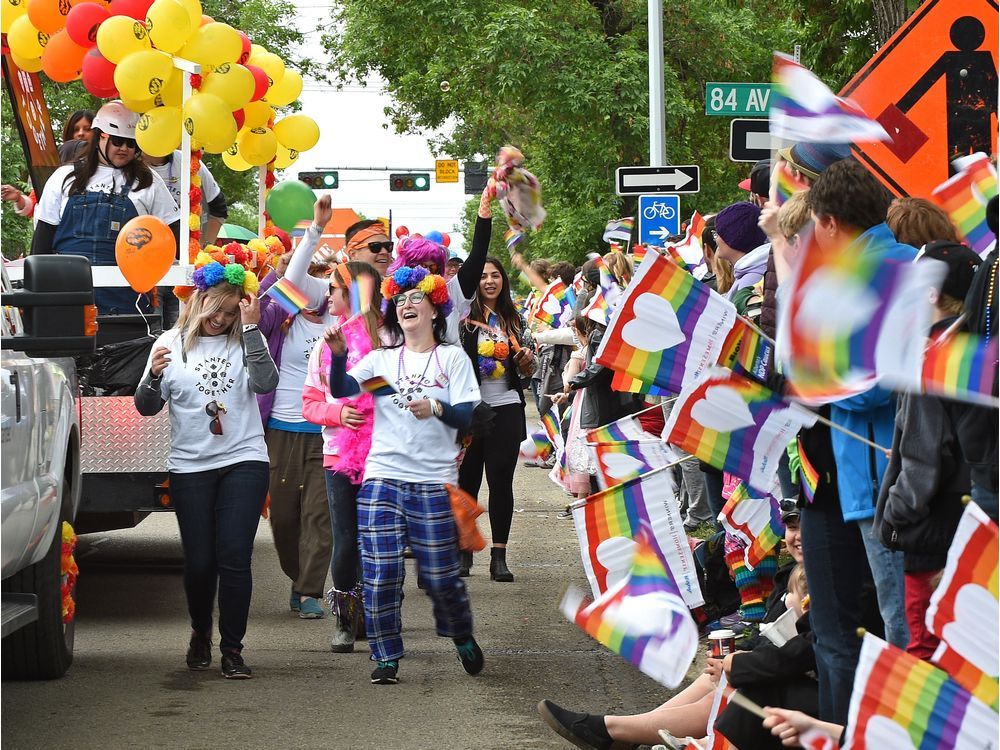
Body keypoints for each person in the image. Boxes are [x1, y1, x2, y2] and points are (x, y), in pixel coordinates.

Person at [325, 265, 485, 685]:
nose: (406, 305)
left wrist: (436, 407)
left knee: (439, 577)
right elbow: (342, 390)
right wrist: (339, 355)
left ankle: (460, 632)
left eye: (416, 298)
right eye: (399, 300)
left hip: (433, 481)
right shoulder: (383, 361)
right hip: (383, 475)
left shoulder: (451, 358)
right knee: (380, 574)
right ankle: (386, 656)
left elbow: (467, 417)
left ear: (435, 309)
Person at [536, 506, 811, 750]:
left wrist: (742, 663)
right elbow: (770, 635)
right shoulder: (789, 574)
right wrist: (739, 655)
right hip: (792, 666)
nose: (797, 537)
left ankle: (615, 731)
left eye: (806, 528)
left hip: (817, 686)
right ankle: (635, 731)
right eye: (791, 528)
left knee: (739, 687)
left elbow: (806, 650)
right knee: (717, 676)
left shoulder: (822, 584)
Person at [134, 261, 277, 679]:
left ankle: (232, 649)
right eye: (217, 309)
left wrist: (250, 328)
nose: (222, 319)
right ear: (199, 301)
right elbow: (146, 407)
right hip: (190, 465)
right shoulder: (169, 342)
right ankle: (201, 630)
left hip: (244, 459)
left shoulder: (245, 339)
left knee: (234, 556)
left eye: (231, 312)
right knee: (200, 562)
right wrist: (152, 377)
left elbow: (265, 384)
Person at [874, 241, 981, 659]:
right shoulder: (977, 350)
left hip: (933, 528)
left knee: (927, 651)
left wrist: (894, 514)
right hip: (972, 520)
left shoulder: (931, 358)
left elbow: (925, 460)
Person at [255, 197, 335, 621]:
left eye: (321, 278)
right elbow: (290, 278)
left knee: (321, 516)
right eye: (305, 278)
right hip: (282, 430)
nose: (313, 287)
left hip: (328, 433)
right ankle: (297, 575)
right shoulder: (279, 318)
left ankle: (309, 589)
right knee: (285, 519)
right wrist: (314, 231)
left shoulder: (342, 321)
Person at [30, 100, 180, 317]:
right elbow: (42, 239)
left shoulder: (148, 181)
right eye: (118, 141)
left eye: (132, 143)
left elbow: (175, 235)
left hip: (127, 301)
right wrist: (35, 297)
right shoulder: (64, 177)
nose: (124, 148)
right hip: (67, 296)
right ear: (100, 136)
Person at [302, 259, 384, 653]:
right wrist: (338, 414)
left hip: (384, 455)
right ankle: (345, 620)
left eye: (333, 287)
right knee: (347, 540)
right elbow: (310, 404)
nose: (327, 294)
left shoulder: (389, 339)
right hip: (338, 456)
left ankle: (378, 614)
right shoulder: (325, 344)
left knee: (380, 540)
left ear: (352, 291)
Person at [458, 257, 535, 581]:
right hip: (471, 410)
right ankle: (464, 551)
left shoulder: (515, 320)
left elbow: (529, 372)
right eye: (483, 276)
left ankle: (499, 556)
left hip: (507, 407)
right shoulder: (463, 320)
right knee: (467, 481)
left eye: (495, 276)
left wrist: (526, 360)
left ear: (503, 280)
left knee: (501, 481)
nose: (489, 281)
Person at [142, 150, 228, 246]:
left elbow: (218, 206)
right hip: (144, 246)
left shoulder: (188, 161)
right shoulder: (130, 160)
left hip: (184, 249)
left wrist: (206, 244)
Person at [712, 201, 768, 307]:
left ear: (733, 239)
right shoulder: (749, 272)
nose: (716, 240)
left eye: (718, 234)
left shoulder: (751, 279)